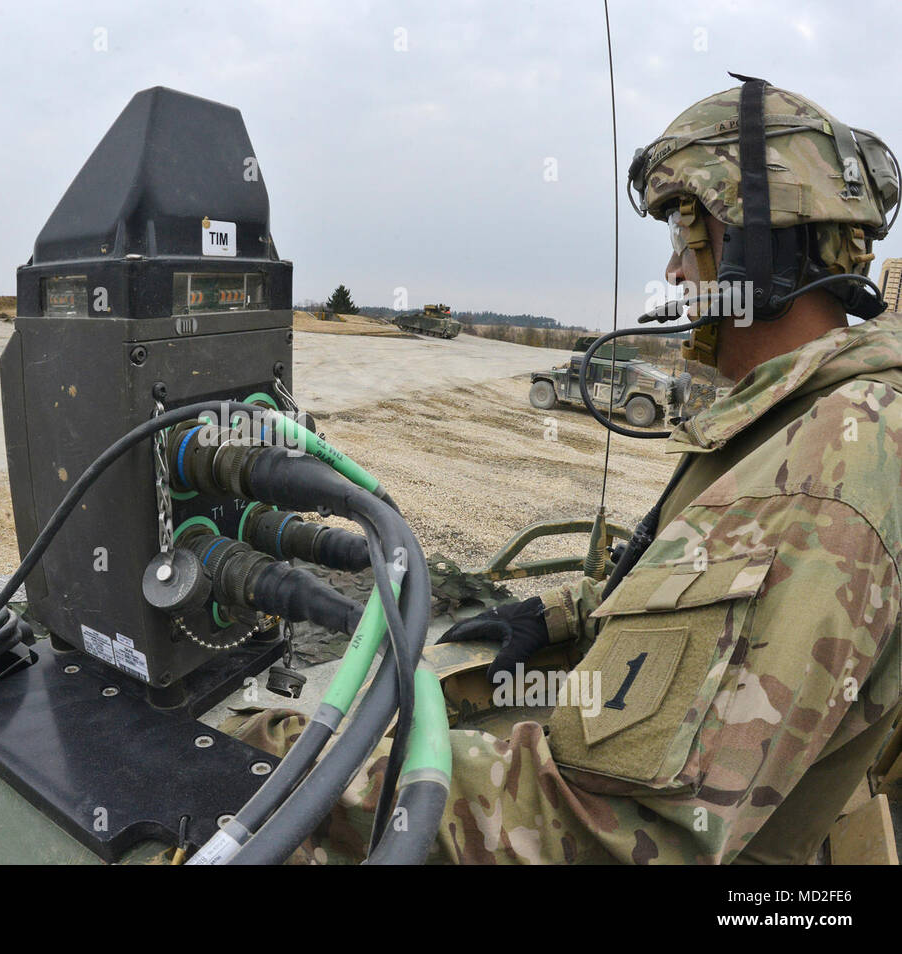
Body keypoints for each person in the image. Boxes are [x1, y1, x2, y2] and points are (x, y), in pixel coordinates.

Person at [224, 77, 902, 864]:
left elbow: (603, 831)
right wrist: (558, 614)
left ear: (757, 249)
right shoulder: (806, 421)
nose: (674, 273)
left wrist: (298, 780)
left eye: (687, 235)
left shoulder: (824, 478)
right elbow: (689, 601)